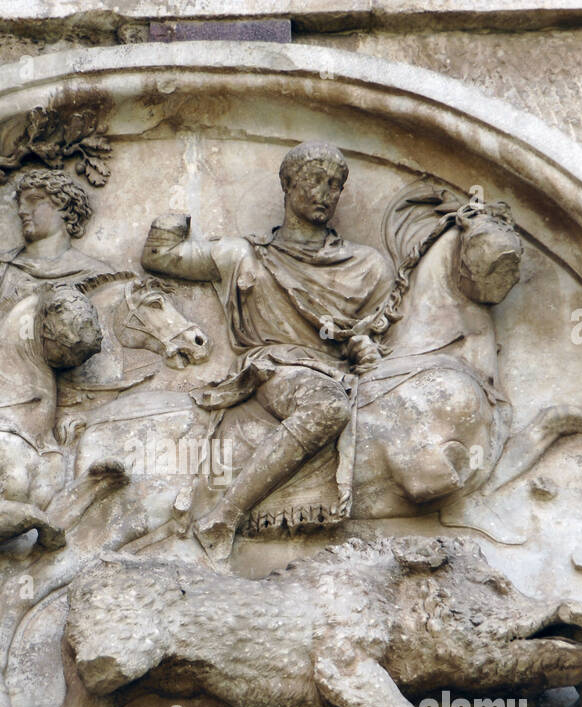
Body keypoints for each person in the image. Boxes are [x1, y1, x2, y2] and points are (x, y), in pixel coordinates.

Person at [141, 141, 397, 560]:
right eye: (314, 180)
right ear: (288, 184)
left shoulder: (368, 267)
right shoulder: (244, 255)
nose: (325, 193)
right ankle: (224, 516)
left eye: (335, 185)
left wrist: (369, 348)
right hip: (275, 369)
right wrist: (176, 205)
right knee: (327, 407)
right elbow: (158, 256)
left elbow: (383, 335)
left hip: (341, 373)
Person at [0, 168, 118, 325]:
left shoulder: (99, 276)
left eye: (34, 200)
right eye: (21, 204)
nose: (22, 211)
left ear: (65, 206)